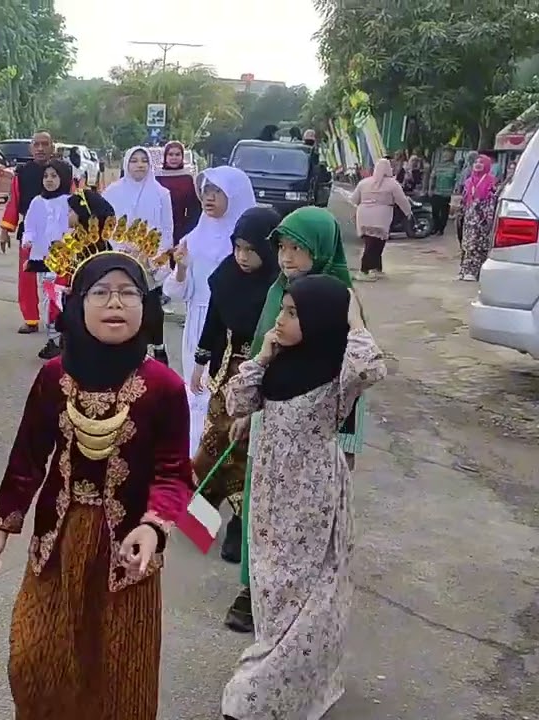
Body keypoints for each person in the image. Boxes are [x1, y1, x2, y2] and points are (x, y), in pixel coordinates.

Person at [0, 244, 192, 720]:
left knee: (118, 672)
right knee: (34, 658)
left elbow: (175, 472)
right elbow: (27, 458)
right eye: (101, 292)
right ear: (76, 304)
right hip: (58, 540)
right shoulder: (54, 377)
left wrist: (153, 527)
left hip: (126, 555)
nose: (115, 303)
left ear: (146, 306)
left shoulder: (164, 387)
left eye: (128, 293)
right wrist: (0, 529)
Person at [221, 275, 387, 720]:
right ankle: (281, 679)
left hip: (312, 496)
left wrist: (355, 322)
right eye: (283, 309)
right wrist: (262, 355)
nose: (281, 319)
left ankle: (258, 690)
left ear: (320, 322)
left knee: (305, 592)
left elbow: (371, 368)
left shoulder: (337, 375)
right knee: (272, 589)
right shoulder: (279, 364)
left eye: (294, 313)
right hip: (270, 493)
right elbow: (236, 402)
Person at [224, 206, 360, 634]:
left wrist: (348, 442)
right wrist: (246, 413)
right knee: (259, 512)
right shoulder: (276, 293)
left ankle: (298, 606)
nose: (287, 258)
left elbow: (355, 380)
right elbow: (257, 355)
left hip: (315, 434)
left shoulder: (339, 299)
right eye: (282, 248)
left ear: (320, 249)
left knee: (301, 527)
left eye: (298, 249)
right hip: (270, 424)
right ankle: (252, 590)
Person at [190, 207, 280, 564]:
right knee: (213, 442)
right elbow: (214, 320)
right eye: (237, 247)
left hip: (261, 377)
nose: (242, 257)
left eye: (251, 250)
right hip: (227, 372)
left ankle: (240, 525)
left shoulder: (279, 290)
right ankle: (201, 515)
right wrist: (200, 361)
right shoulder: (227, 275)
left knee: (244, 453)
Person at [164, 166, 257, 458]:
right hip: (197, 320)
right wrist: (180, 267)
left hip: (231, 328)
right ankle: (194, 459)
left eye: (217, 192)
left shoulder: (249, 241)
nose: (209, 198)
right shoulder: (195, 237)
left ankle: (226, 458)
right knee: (196, 390)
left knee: (227, 394)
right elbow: (177, 292)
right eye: (206, 191)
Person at [103, 145, 175, 362]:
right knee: (123, 301)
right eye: (134, 160)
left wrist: (154, 255)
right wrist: (121, 247)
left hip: (150, 260)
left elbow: (167, 228)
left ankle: (156, 351)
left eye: (144, 160)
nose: (139, 165)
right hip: (121, 255)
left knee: (150, 306)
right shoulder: (112, 192)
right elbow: (108, 225)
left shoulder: (162, 193)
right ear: (126, 163)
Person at [0, 131, 60, 334]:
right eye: (37, 144)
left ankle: (56, 316)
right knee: (27, 276)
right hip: (30, 232)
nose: (41, 148)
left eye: (45, 144)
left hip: (58, 234)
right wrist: (5, 230)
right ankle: (31, 319)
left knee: (58, 276)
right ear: (31, 148)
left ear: (53, 147)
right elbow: (14, 202)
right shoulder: (22, 173)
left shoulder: (63, 171)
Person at [23, 159, 76, 359]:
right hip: (41, 257)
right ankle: (54, 338)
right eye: (46, 176)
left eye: (54, 176)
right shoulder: (37, 202)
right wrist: (28, 241)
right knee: (48, 297)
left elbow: (75, 228)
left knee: (58, 297)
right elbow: (30, 226)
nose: (49, 180)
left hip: (64, 258)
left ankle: (57, 339)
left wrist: (66, 245)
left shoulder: (70, 201)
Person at [350, 158, 412, 281]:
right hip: (381, 216)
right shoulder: (393, 184)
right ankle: (364, 271)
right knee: (374, 244)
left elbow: (354, 200)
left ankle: (376, 268)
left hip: (364, 215)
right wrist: (408, 212)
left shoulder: (364, 183)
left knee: (374, 242)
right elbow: (402, 200)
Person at [458, 153, 499, 282]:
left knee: (478, 245)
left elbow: (491, 201)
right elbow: (465, 199)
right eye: (476, 162)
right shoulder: (469, 181)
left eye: (481, 163)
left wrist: (487, 218)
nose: (478, 165)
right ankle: (465, 270)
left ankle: (475, 271)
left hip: (482, 217)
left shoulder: (491, 181)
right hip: (469, 217)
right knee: (467, 243)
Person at [156, 140, 202, 247]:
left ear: (182, 156)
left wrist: (188, 230)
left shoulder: (188, 178)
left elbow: (194, 208)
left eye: (177, 154)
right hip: (159, 226)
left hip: (181, 227)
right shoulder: (157, 177)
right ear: (165, 157)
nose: (174, 158)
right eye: (170, 154)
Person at [427, 148, 458, 236]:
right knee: (435, 211)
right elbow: (432, 177)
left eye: (448, 154)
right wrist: (430, 189)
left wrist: (455, 192)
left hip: (447, 193)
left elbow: (457, 180)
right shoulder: (438, 166)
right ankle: (435, 227)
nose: (446, 155)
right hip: (437, 192)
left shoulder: (455, 167)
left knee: (444, 212)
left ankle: (441, 229)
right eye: (445, 153)